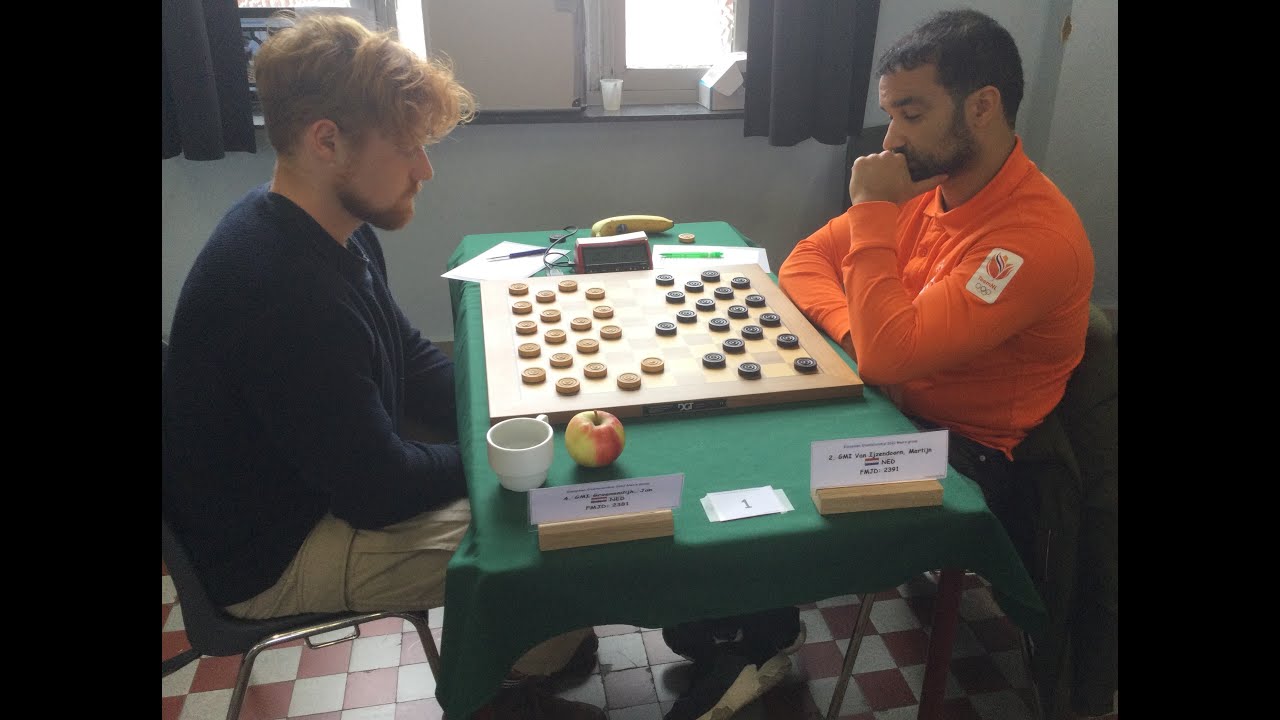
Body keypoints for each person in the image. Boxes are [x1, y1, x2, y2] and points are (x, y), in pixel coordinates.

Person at [161, 13, 603, 720]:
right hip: (276, 556)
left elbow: (414, 357)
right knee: (554, 533)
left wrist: (512, 416)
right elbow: (379, 490)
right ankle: (504, 685)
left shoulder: (324, 226)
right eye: (406, 149)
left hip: (319, 490)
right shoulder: (281, 293)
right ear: (326, 141)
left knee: (534, 501)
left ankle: (535, 645)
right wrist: (510, 458)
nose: (424, 169)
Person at [777, 8, 1113, 720]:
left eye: (912, 112)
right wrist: (864, 337)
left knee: (773, 469)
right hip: (898, 400)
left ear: (983, 107)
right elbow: (804, 263)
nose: (892, 137)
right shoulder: (930, 191)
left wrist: (870, 222)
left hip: (973, 456)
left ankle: (753, 637)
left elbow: (890, 349)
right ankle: (751, 632)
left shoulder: (1030, 238)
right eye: (890, 112)